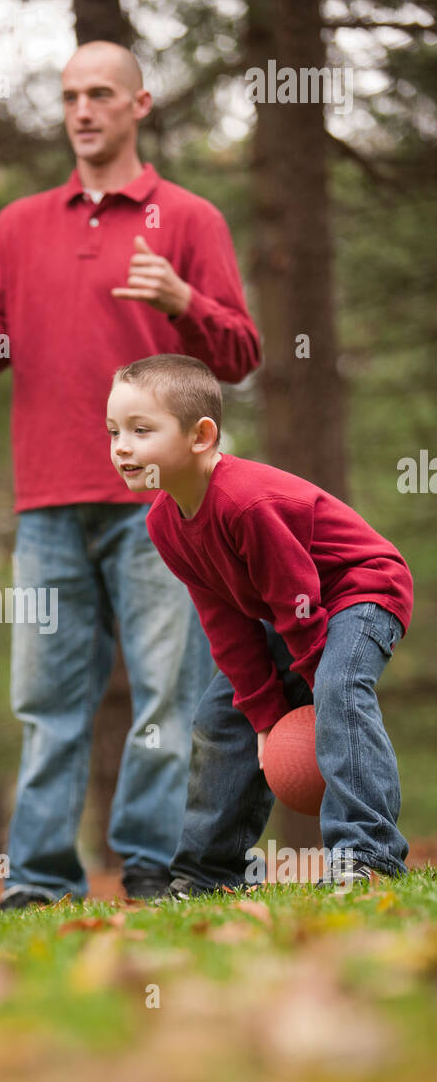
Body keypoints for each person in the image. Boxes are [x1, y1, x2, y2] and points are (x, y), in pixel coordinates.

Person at [0, 41, 261, 907]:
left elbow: (240, 354)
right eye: (71, 95)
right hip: (46, 500)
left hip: (158, 500)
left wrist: (184, 305)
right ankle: (40, 878)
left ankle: (152, 868)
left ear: (139, 105)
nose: (83, 109)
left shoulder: (189, 219)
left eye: (102, 94)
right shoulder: (18, 224)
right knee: (46, 700)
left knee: (167, 691)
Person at [106, 352, 413, 897]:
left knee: (341, 690)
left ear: (201, 435)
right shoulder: (164, 523)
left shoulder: (245, 503)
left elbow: (297, 601)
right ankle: (205, 874)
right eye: (114, 432)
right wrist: (267, 716)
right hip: (288, 613)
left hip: (358, 591)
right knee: (220, 718)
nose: (122, 446)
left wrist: (319, 699)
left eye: (140, 430)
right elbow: (225, 622)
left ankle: (366, 856)